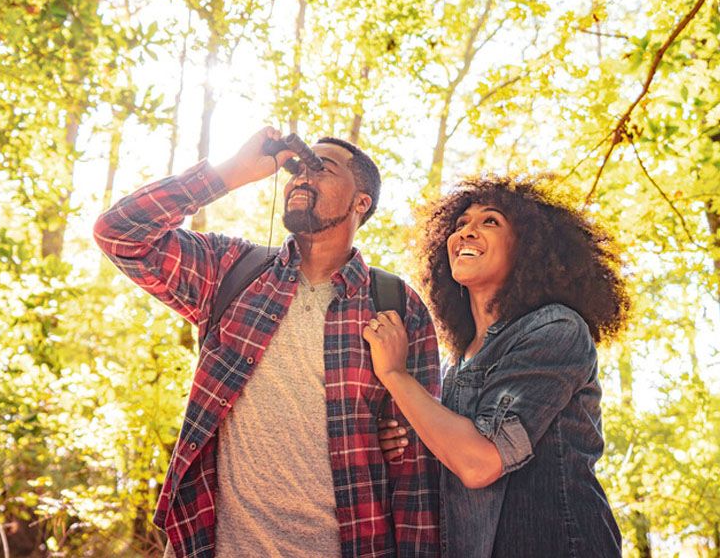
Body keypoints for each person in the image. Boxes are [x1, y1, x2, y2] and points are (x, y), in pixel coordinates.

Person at [93, 127, 441, 558]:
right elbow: (119, 233)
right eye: (297, 168)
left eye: (322, 168)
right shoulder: (231, 270)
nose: (301, 177)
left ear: (361, 202)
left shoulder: (396, 305)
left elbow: (416, 473)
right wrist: (232, 172)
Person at [365, 177, 629, 557]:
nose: (466, 233)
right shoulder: (450, 366)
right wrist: (401, 443)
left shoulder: (555, 328)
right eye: (459, 225)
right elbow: (451, 460)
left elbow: (479, 462)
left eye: (490, 221)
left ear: (528, 248)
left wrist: (395, 375)